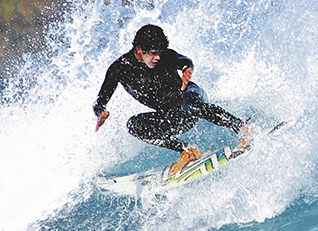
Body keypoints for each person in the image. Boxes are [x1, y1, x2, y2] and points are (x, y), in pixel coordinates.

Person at [94, 24, 251, 175]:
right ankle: (187, 151)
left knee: (192, 106)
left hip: (190, 96)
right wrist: (100, 112)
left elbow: (184, 61)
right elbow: (100, 102)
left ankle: (244, 129)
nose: (157, 57)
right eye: (153, 53)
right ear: (139, 49)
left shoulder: (165, 56)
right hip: (173, 116)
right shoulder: (119, 69)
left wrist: (187, 69)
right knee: (134, 126)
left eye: (160, 52)